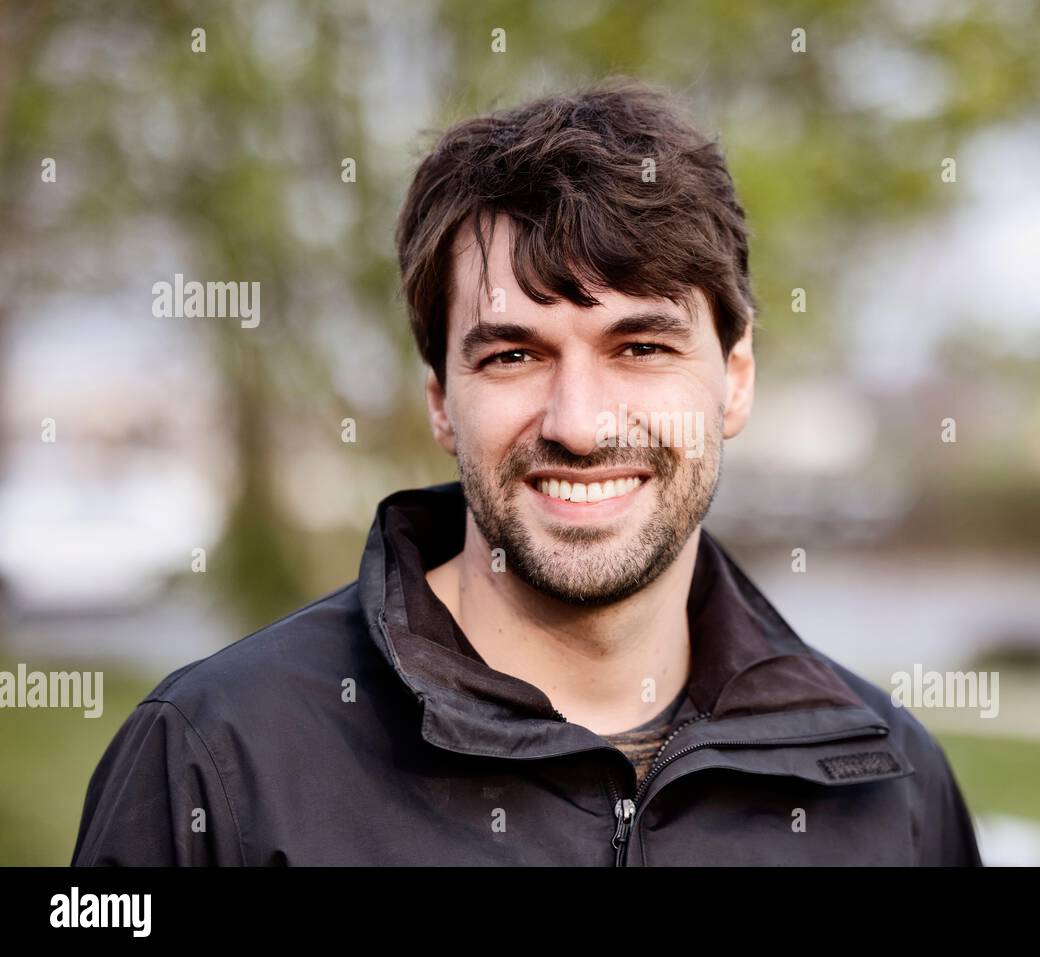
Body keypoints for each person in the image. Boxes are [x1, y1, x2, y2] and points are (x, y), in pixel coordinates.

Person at [72, 77, 982, 866]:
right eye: (512, 355)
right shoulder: (216, 760)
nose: (580, 426)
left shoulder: (888, 787)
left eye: (640, 346)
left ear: (734, 382)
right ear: (439, 400)